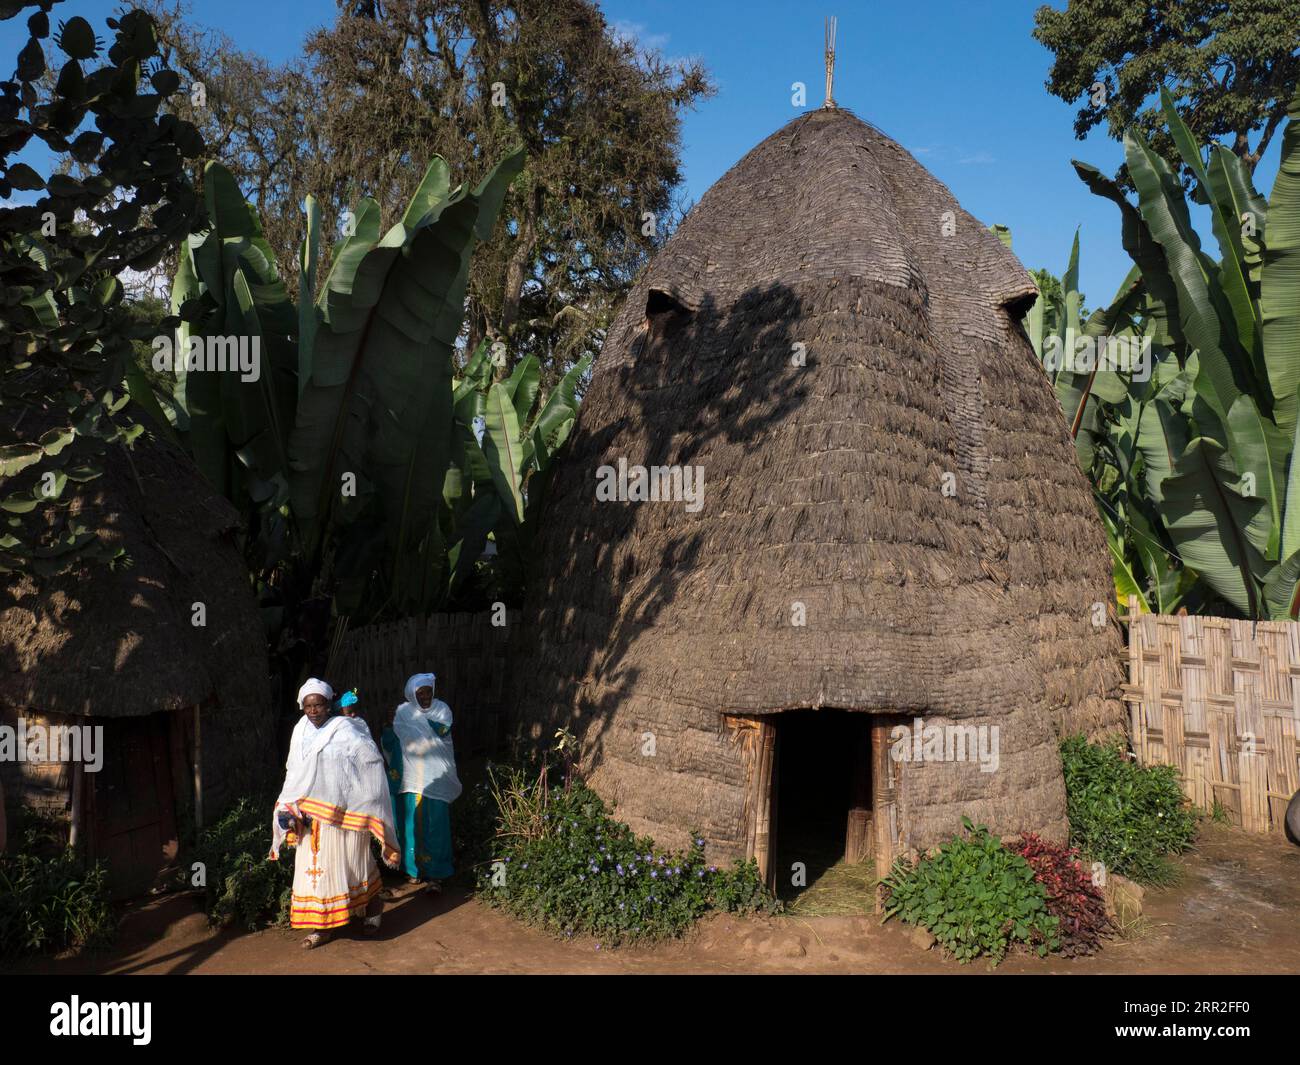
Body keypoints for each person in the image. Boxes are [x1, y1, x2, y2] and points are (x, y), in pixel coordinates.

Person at [270, 678, 400, 949]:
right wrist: (288, 808)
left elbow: (371, 761)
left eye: (318, 705)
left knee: (355, 867)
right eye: (308, 706)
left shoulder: (346, 729)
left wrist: (365, 800)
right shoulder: (300, 731)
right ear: (302, 707)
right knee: (314, 876)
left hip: (345, 817)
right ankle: (322, 928)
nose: (313, 711)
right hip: (311, 818)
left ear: (329, 705)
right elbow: (294, 772)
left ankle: (373, 912)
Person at [383, 672, 462, 892]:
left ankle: (436, 874)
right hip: (409, 779)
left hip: (435, 780)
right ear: (411, 694)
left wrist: (423, 723)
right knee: (409, 826)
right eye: (420, 693)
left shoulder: (442, 710)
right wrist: (389, 725)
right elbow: (390, 742)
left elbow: (442, 731)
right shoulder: (402, 713)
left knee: (435, 826)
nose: (426, 696)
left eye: (428, 691)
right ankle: (413, 870)